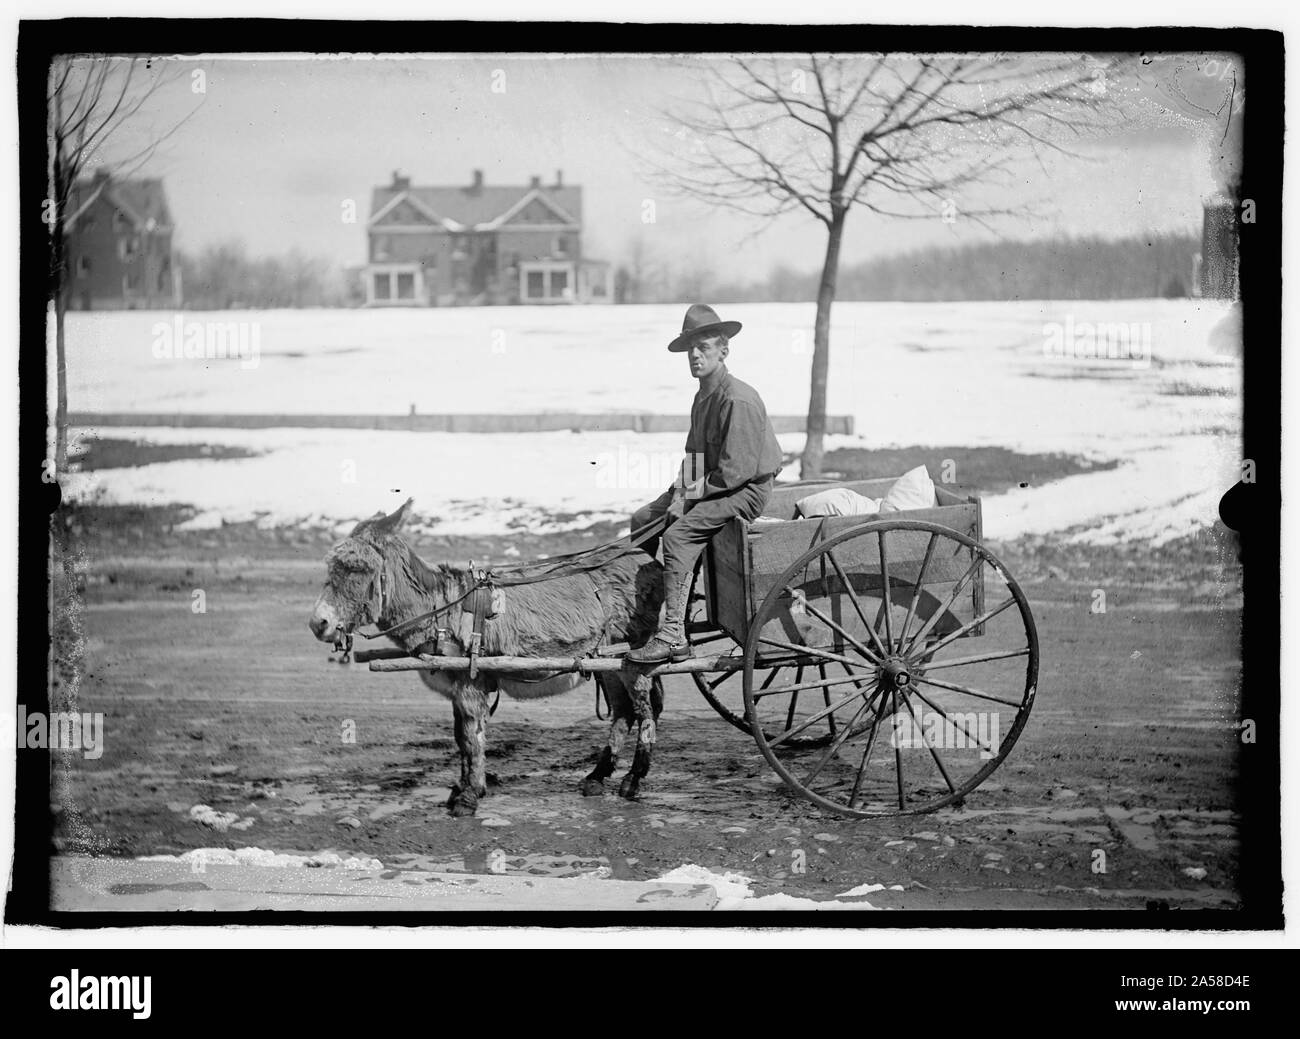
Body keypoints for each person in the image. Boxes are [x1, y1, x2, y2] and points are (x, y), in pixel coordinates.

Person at [627, 304, 783, 664]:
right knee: (643, 520)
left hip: (745, 493)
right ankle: (649, 612)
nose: (695, 356)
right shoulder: (703, 397)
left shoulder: (737, 399)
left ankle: (673, 636)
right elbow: (694, 455)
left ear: (724, 351)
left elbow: (735, 472)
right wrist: (679, 493)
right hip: (714, 486)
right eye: (690, 350)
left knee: (679, 535)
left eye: (705, 347)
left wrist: (690, 498)